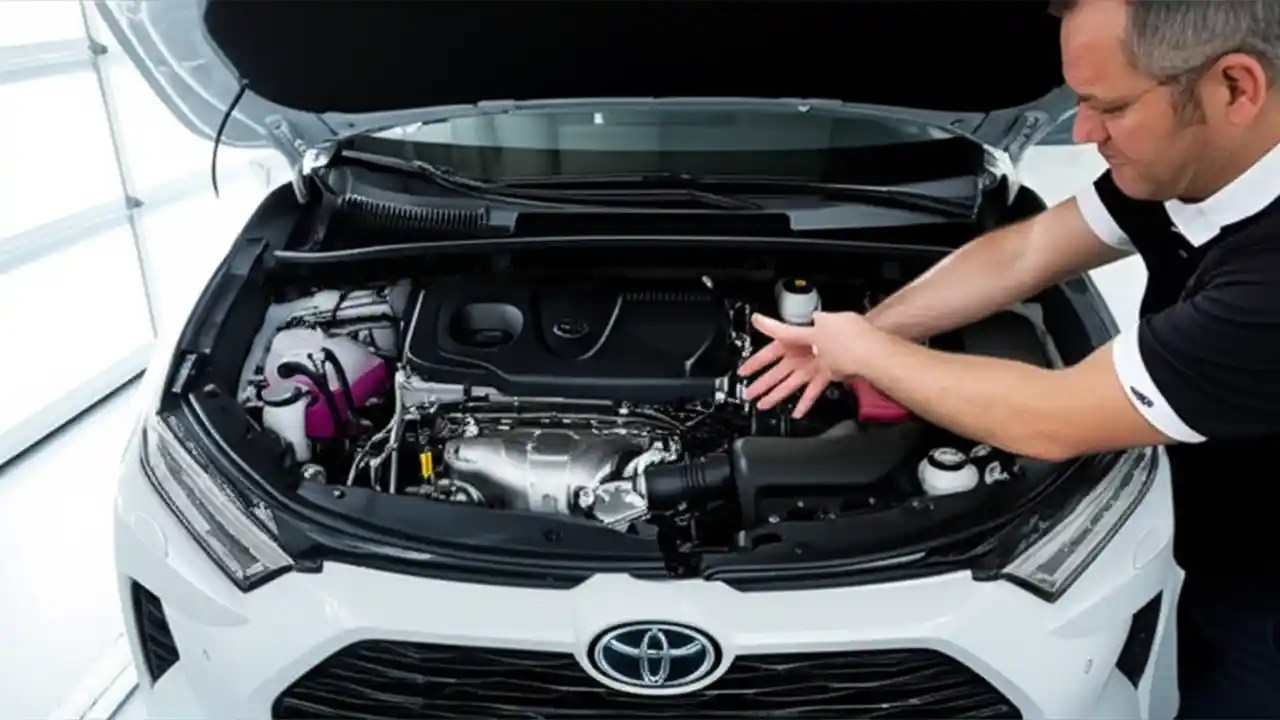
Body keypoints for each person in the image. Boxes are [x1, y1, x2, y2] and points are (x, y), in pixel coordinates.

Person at [737, 0, 1280, 716]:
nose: (1084, 134)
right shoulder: (1193, 164)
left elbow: (1051, 421)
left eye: (1107, 106)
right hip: (1230, 540)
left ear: (1235, 87)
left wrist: (869, 352)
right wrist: (867, 332)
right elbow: (1028, 250)